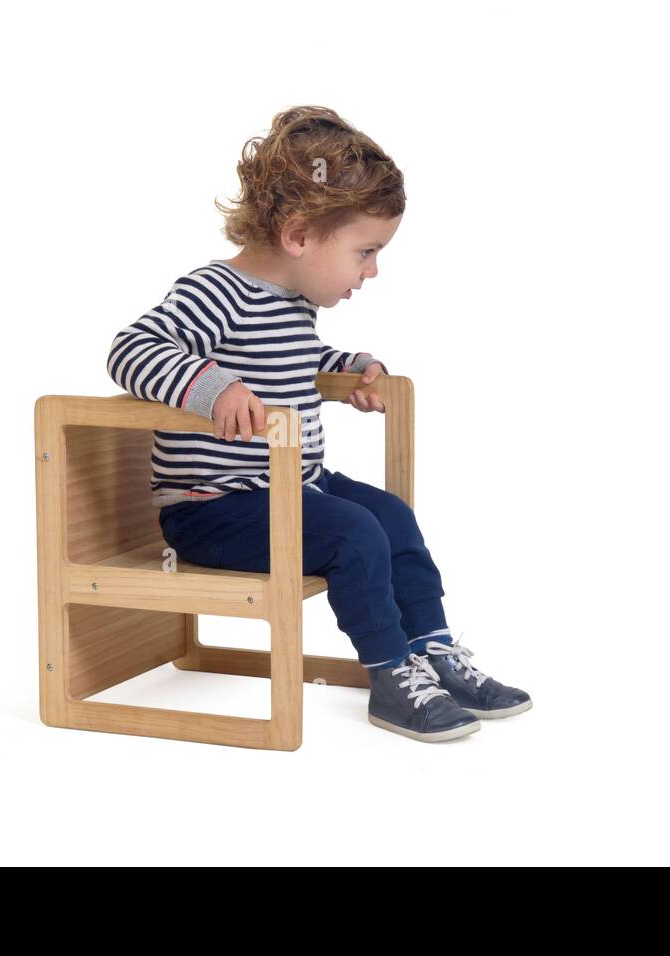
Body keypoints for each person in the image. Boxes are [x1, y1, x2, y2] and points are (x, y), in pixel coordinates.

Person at [107, 105, 530, 742]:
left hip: (289, 488)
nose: (373, 269)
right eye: (365, 251)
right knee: (353, 531)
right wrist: (211, 386)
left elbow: (298, 363)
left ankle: (432, 652)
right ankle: (390, 676)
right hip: (213, 509)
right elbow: (132, 349)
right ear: (300, 234)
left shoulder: (293, 304)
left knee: (390, 515)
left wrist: (352, 367)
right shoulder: (214, 293)